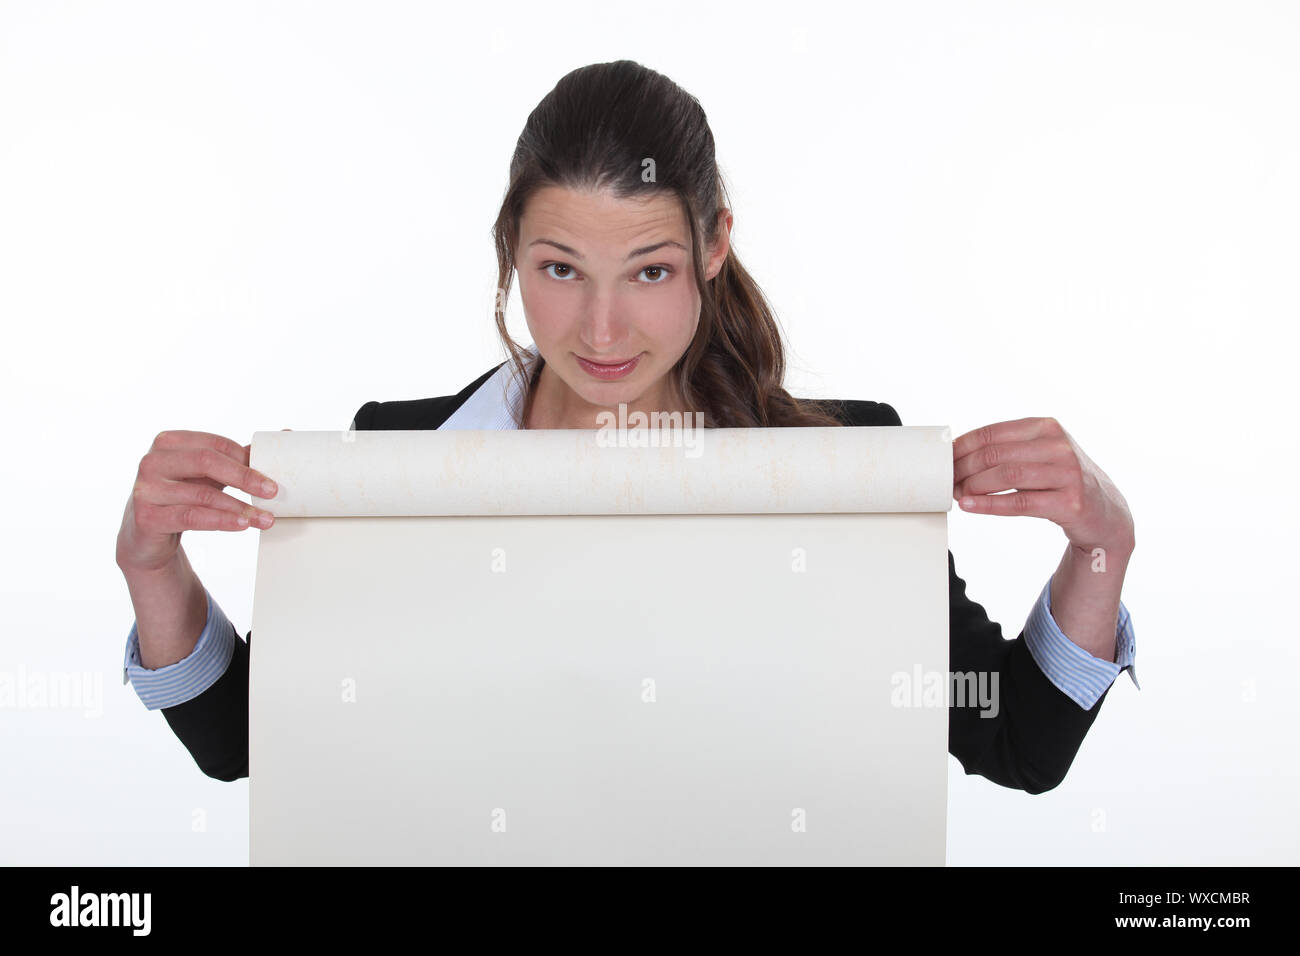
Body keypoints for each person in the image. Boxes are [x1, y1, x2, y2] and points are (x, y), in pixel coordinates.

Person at [115, 59, 1137, 793]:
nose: (601, 330)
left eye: (649, 270)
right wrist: (156, 569)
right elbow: (250, 740)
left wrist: (1102, 543)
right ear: (511, 248)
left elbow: (1016, 739)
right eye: (559, 269)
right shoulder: (397, 458)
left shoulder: (841, 468)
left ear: (715, 243)